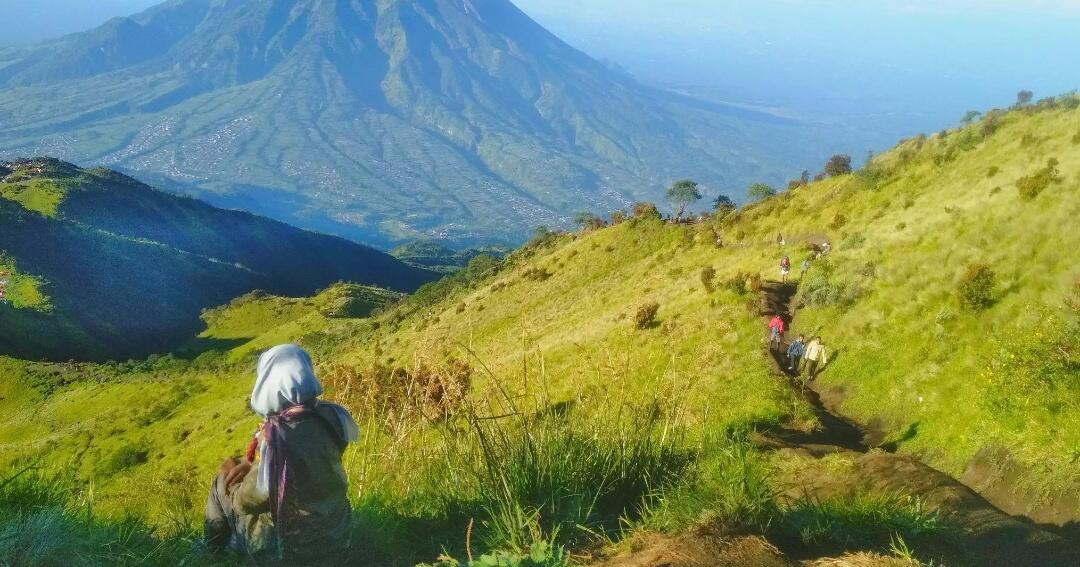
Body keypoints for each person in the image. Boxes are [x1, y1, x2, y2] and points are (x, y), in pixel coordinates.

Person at [205, 344, 359, 564]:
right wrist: (253, 465)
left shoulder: (278, 439)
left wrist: (233, 479)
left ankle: (213, 554)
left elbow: (244, 502)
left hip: (291, 556)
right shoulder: (332, 416)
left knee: (221, 484)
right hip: (339, 542)